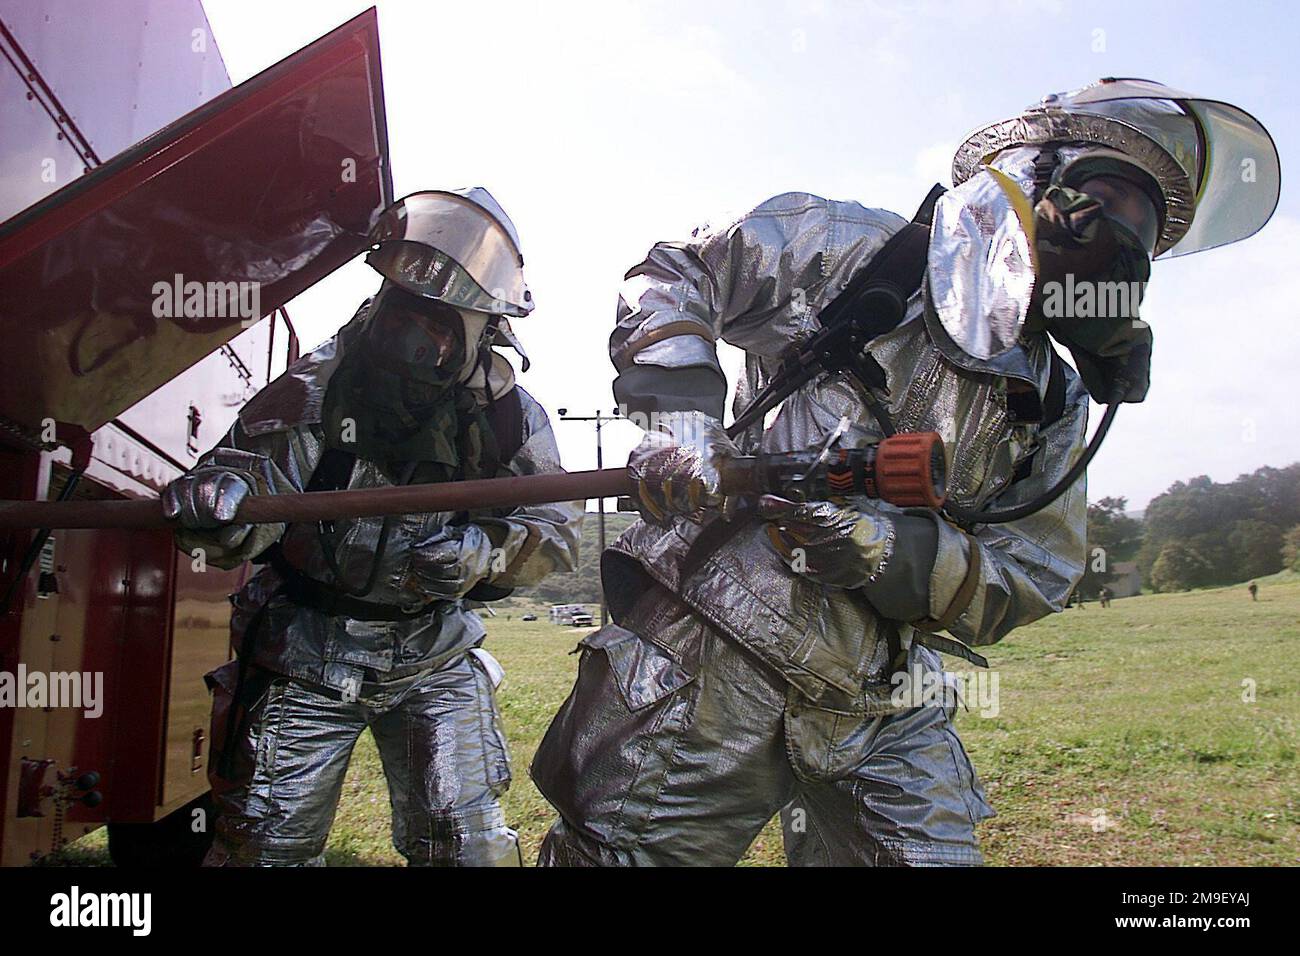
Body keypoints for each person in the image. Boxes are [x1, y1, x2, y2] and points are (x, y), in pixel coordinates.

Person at [530, 79, 1278, 866]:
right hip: (711, 652)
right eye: (1114, 195)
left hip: (884, 691)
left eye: (1146, 227)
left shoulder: (1052, 400)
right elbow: (677, 270)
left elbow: (1033, 569)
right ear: (1036, 172)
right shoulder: (854, 251)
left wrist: (891, 553)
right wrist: (682, 416)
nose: (1125, 238)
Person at [164, 188, 582, 866]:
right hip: (303, 653)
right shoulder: (318, 386)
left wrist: (484, 553)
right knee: (263, 850)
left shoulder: (509, 415)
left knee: (468, 849)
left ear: (483, 329)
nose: (418, 336)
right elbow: (250, 491)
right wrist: (222, 499)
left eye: (442, 321)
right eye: (405, 309)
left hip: (436, 652)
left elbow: (555, 525)